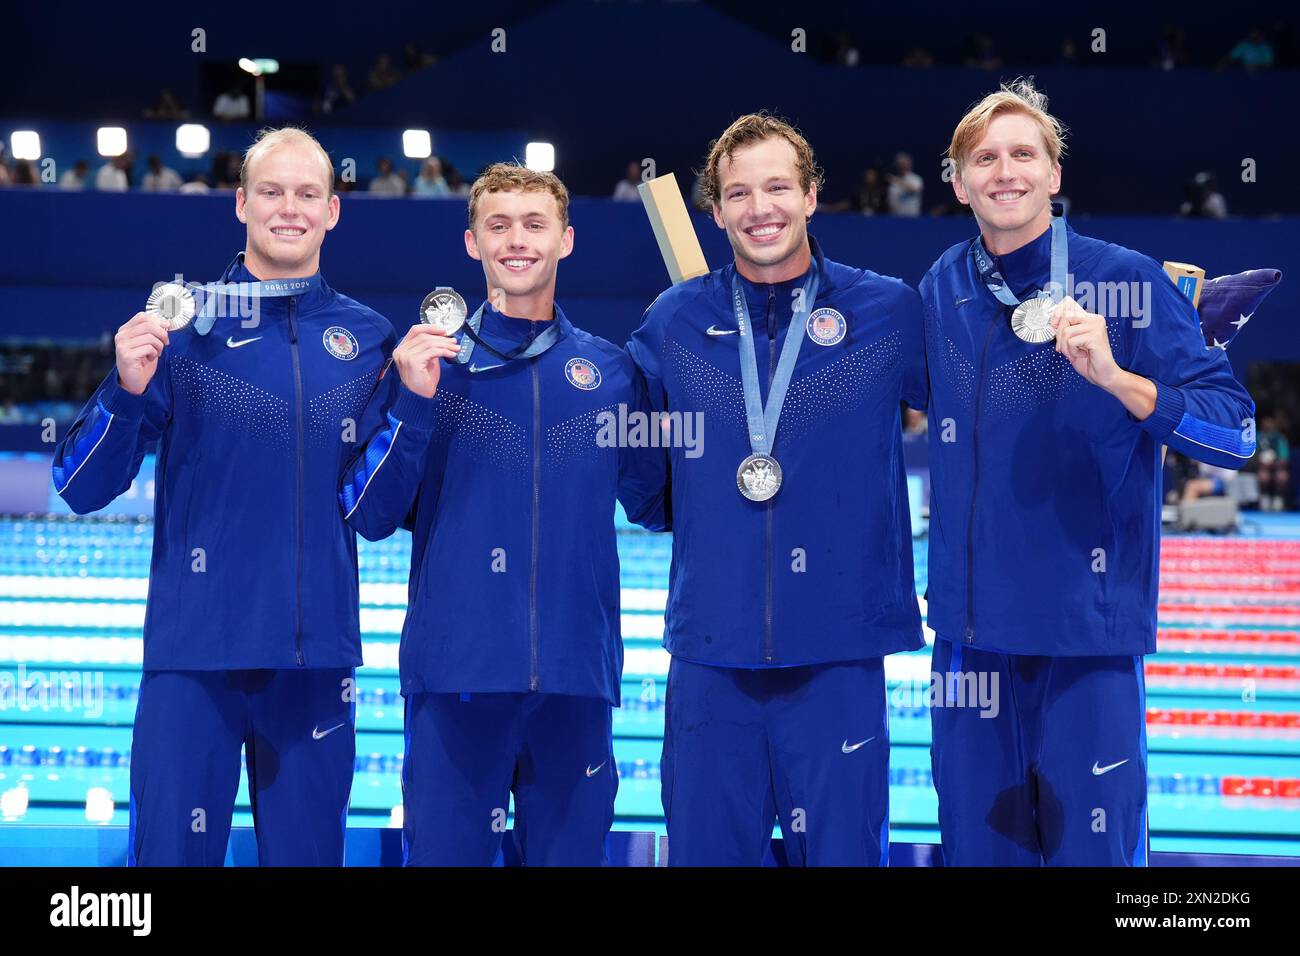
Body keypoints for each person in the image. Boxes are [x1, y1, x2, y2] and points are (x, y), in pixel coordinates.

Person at [919, 78, 1256, 866]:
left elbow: (1235, 432)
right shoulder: (942, 285)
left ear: (1054, 173)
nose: (1006, 171)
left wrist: (1117, 378)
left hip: (1087, 642)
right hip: (969, 646)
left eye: (1024, 154)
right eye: (985, 157)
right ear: (961, 180)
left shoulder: (1130, 281)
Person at [52, 127, 395, 866]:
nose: (290, 209)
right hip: (192, 659)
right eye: (271, 192)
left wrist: (422, 410)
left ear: (333, 211)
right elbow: (80, 489)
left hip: (313, 666)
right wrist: (126, 388)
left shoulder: (367, 338)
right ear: (241, 203)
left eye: (309, 194)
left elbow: (376, 511)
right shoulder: (183, 324)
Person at [339, 162, 667, 865]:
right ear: (472, 244)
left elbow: (658, 503)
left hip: (576, 682)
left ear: (566, 240)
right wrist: (412, 403)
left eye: (534, 224)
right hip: (455, 680)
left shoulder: (610, 374)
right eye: (499, 225)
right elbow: (368, 514)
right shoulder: (429, 366)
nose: (517, 241)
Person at [628, 114, 927, 866]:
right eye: (738, 193)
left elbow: (990, 393)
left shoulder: (887, 311)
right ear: (716, 210)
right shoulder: (677, 319)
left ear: (812, 196)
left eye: (777, 187)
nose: (760, 208)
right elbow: (618, 436)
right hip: (710, 655)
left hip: (838, 656)